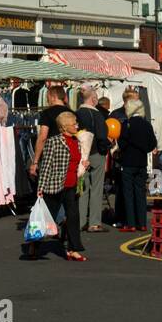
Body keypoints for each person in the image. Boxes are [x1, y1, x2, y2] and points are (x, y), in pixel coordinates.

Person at [31, 111, 87, 261]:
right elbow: (46, 166)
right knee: (46, 218)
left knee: (73, 217)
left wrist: (84, 164)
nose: (77, 125)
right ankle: (35, 244)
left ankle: (73, 249)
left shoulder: (78, 141)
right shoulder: (54, 141)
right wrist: (40, 189)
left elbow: (78, 162)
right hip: (54, 186)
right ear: (65, 126)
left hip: (72, 185)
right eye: (74, 123)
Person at [114, 92, 156, 233]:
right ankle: (142, 223)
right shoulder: (147, 125)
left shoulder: (127, 124)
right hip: (142, 162)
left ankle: (131, 223)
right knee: (140, 193)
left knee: (128, 193)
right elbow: (152, 144)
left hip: (128, 162)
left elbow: (122, 143)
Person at [75, 87, 110, 233]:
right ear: (93, 99)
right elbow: (102, 136)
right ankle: (94, 223)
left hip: (81, 154)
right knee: (96, 189)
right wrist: (105, 149)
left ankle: (81, 221)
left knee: (82, 188)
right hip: (96, 153)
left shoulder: (76, 114)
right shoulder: (98, 115)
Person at [30, 85, 72, 179]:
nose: (47, 100)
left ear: (53, 97)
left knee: (51, 189)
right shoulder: (72, 112)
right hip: (70, 156)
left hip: (52, 157)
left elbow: (42, 137)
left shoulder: (47, 113)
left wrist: (35, 161)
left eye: (47, 97)